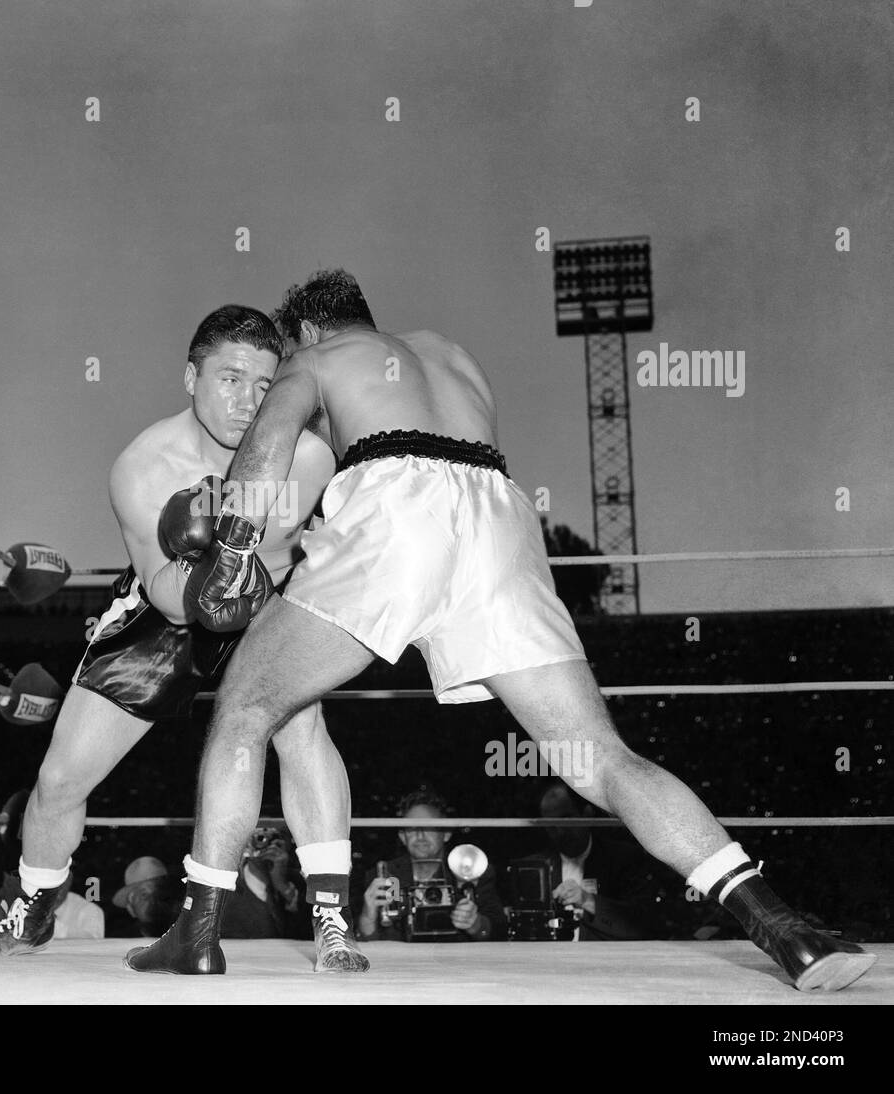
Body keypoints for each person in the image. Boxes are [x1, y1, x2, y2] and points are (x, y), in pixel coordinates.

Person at [128, 269, 875, 992]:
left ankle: (197, 936)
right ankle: (784, 927)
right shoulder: (451, 356)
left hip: (398, 506)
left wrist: (232, 549)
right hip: (502, 520)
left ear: (311, 329)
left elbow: (268, 446)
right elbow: (457, 481)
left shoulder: (316, 356)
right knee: (599, 758)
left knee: (245, 709)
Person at [0, 305, 364, 972]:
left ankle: (332, 921)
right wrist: (210, 571)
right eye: (229, 379)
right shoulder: (145, 466)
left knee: (303, 731)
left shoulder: (312, 457)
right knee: (61, 777)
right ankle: (32, 905)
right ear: (190, 375)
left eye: (266, 387)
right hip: (171, 611)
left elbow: (341, 549)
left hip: (270, 608)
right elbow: (164, 590)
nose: (247, 402)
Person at [355, 789, 504, 943]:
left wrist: (476, 924)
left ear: (446, 833)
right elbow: (366, 944)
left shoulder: (471, 871)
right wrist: (367, 917)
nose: (420, 835)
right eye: (412, 828)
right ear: (402, 836)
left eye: (429, 826)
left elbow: (500, 929)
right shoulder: (383, 877)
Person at [534, 781, 662, 942]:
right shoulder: (535, 867)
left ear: (587, 814)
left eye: (566, 819)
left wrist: (588, 901)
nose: (560, 831)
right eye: (551, 825)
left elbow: (643, 925)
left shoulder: (623, 859)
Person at [221, 827, 308, 940]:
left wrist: (284, 887)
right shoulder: (226, 884)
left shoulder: (302, 882)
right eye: (260, 838)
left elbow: (307, 934)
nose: (266, 844)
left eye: (275, 838)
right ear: (246, 843)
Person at [110, 857, 182, 938]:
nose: (149, 898)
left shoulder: (190, 921)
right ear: (131, 909)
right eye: (132, 898)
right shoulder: (123, 941)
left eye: (159, 889)